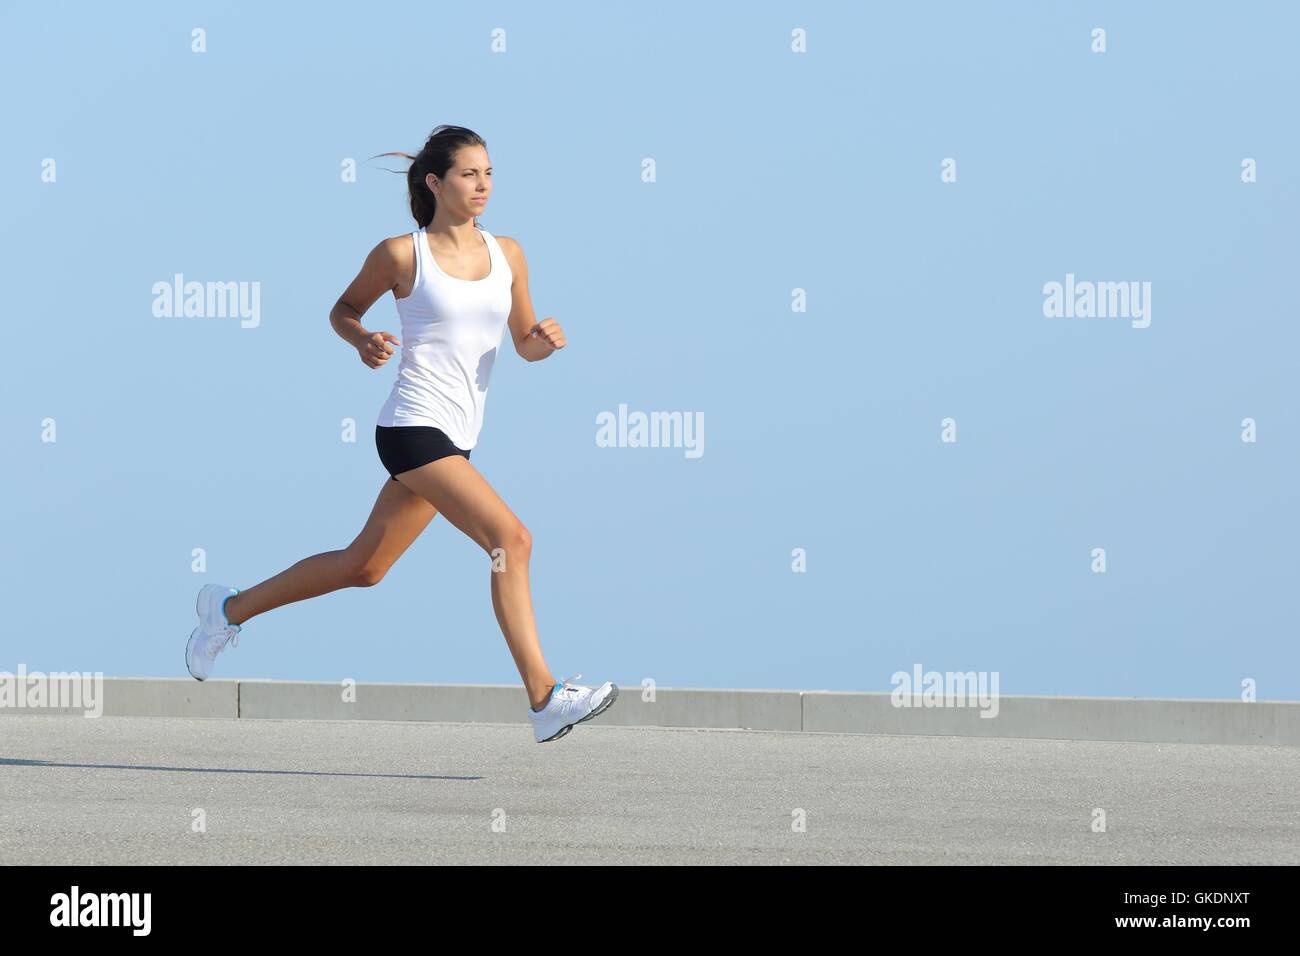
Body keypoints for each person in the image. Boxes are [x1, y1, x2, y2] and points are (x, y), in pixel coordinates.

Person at [185, 124, 617, 744]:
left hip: (457, 439)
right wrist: (363, 340)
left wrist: (542, 343)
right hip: (412, 428)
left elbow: (521, 344)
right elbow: (344, 310)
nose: (483, 185)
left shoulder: (509, 254)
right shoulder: (400, 254)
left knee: (364, 567)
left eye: (489, 173)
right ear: (436, 183)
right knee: (511, 540)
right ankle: (544, 698)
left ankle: (227, 611)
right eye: (469, 174)